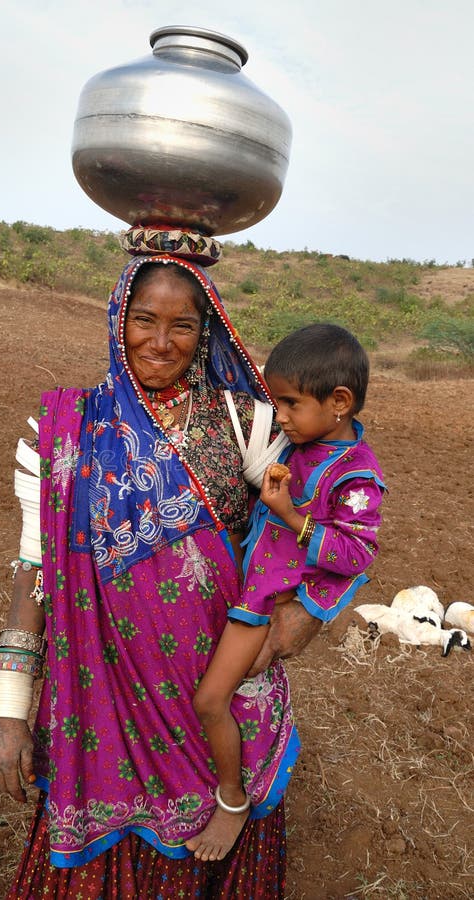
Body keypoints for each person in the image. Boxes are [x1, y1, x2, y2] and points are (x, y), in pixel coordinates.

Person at [0, 252, 315, 899]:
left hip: (214, 707)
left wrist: (291, 627)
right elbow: (33, 578)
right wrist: (8, 712)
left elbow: (323, 526)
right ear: (117, 322)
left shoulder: (241, 422)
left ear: (206, 332)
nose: (160, 343)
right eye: (144, 321)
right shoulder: (61, 434)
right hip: (100, 707)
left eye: (182, 326)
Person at [187, 323, 386, 862]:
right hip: (247, 590)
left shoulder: (356, 476)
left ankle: (232, 801)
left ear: (339, 402)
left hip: (259, 608)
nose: (278, 416)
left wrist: (291, 517)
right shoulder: (304, 444)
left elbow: (357, 553)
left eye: (290, 403)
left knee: (210, 700)